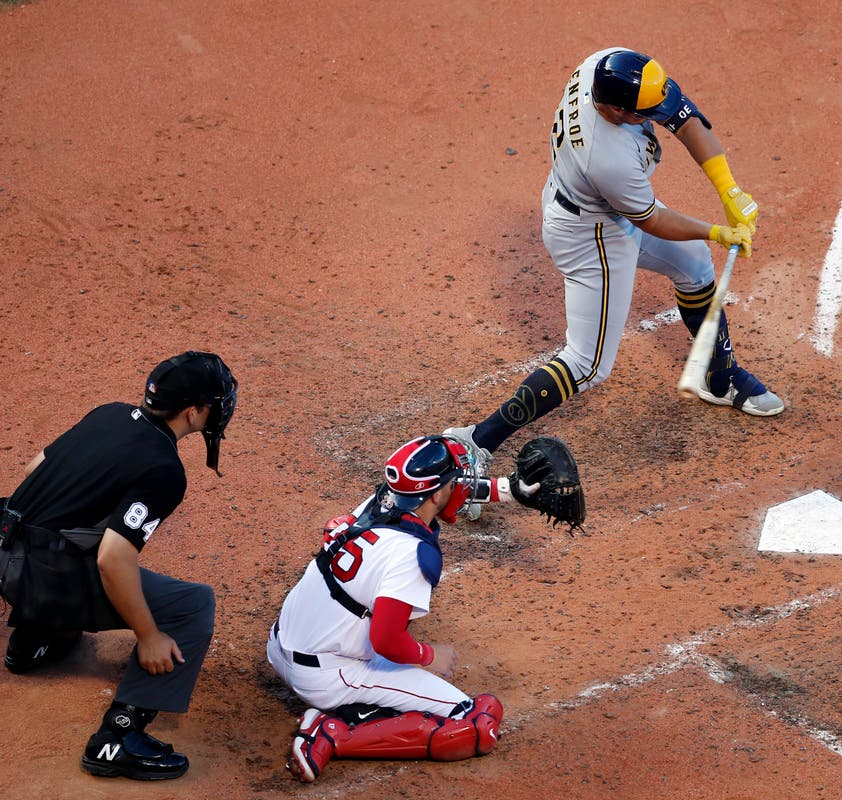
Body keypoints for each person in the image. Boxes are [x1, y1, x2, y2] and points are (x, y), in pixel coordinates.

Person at [445, 47, 783, 475]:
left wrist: (729, 191)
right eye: (643, 113)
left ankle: (720, 376)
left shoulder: (605, 65)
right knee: (587, 364)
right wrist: (716, 231)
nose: (656, 115)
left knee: (695, 265)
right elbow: (652, 219)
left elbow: (684, 116)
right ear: (615, 108)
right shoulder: (606, 159)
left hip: (589, 206)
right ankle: (474, 443)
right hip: (592, 235)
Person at [0, 351, 238, 781]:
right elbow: (113, 558)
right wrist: (148, 636)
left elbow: (37, 467)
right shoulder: (165, 469)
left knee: (76, 538)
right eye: (213, 403)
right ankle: (118, 738)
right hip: (36, 577)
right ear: (192, 411)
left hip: (5, 547)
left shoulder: (110, 413)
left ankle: (35, 636)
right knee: (192, 605)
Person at [270, 434, 523, 783]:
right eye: (456, 482)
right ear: (435, 494)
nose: (463, 488)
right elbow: (387, 641)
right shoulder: (410, 555)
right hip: (325, 676)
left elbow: (448, 490)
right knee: (476, 722)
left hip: (285, 643)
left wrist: (510, 490)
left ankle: (359, 712)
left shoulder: (378, 503)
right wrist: (429, 655)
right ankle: (333, 734)